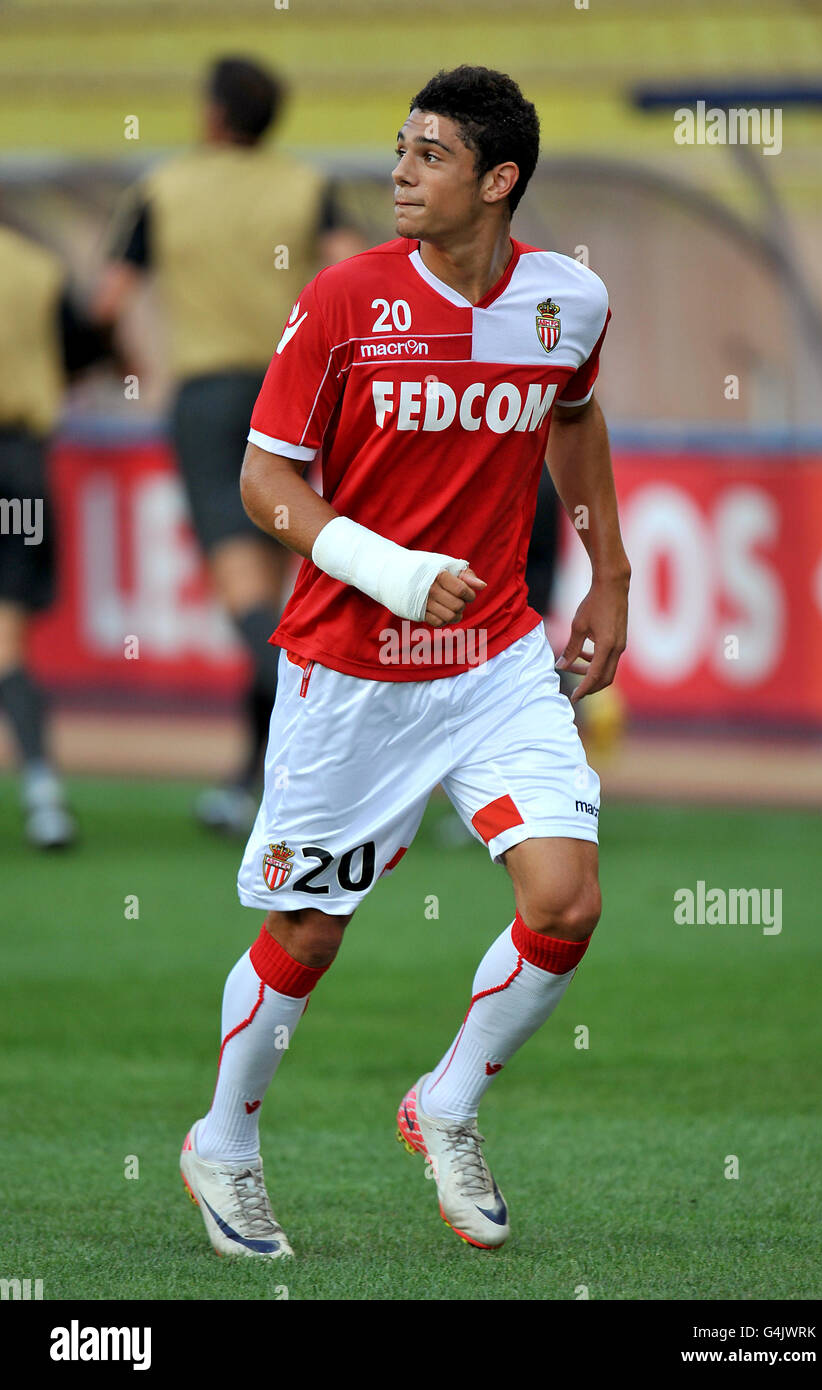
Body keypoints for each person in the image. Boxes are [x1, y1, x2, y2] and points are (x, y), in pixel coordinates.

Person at [180, 64, 630, 1256]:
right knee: (310, 934)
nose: (399, 171)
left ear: (498, 181)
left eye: (430, 155)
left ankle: (447, 1100)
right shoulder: (341, 302)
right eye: (399, 148)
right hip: (351, 667)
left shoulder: (567, 302)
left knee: (566, 898)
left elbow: (573, 421)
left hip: (491, 659)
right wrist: (387, 567)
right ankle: (222, 1139)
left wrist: (610, 577)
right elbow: (262, 480)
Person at [92, 55, 365, 835]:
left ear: (214, 113)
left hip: (210, 402)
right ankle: (253, 779)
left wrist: (126, 367)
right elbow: (354, 273)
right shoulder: (305, 186)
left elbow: (109, 301)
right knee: (285, 594)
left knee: (248, 599)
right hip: (298, 390)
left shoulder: (164, 187)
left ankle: (323, 735)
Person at [0, 219, 109, 848]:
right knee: (8, 639)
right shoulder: (35, 267)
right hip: (21, 470)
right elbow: (85, 348)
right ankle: (43, 793)